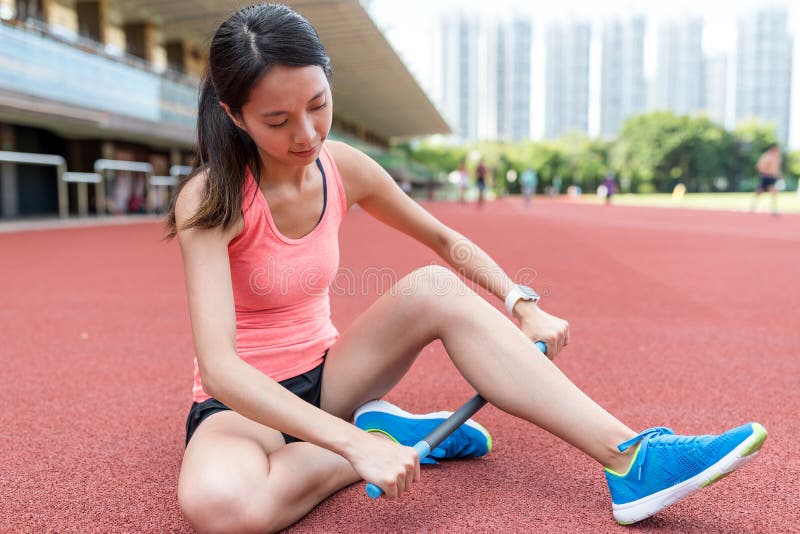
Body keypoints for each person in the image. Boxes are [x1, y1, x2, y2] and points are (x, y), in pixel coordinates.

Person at [165, 5, 767, 532]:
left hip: (333, 380)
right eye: (277, 121)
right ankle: (383, 438)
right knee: (222, 507)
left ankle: (632, 458)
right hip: (244, 406)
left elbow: (444, 240)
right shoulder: (210, 199)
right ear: (235, 115)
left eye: (318, 105)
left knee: (433, 286)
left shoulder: (342, 166)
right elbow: (220, 368)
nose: (306, 134)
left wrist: (520, 302)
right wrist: (353, 445)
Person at [751, 143, 782, 216]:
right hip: (766, 176)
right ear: (773, 148)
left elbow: (776, 168)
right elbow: (759, 166)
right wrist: (764, 172)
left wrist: (779, 175)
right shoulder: (767, 156)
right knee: (760, 192)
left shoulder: (777, 157)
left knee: (773, 193)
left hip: (773, 177)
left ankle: (773, 209)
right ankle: (753, 206)